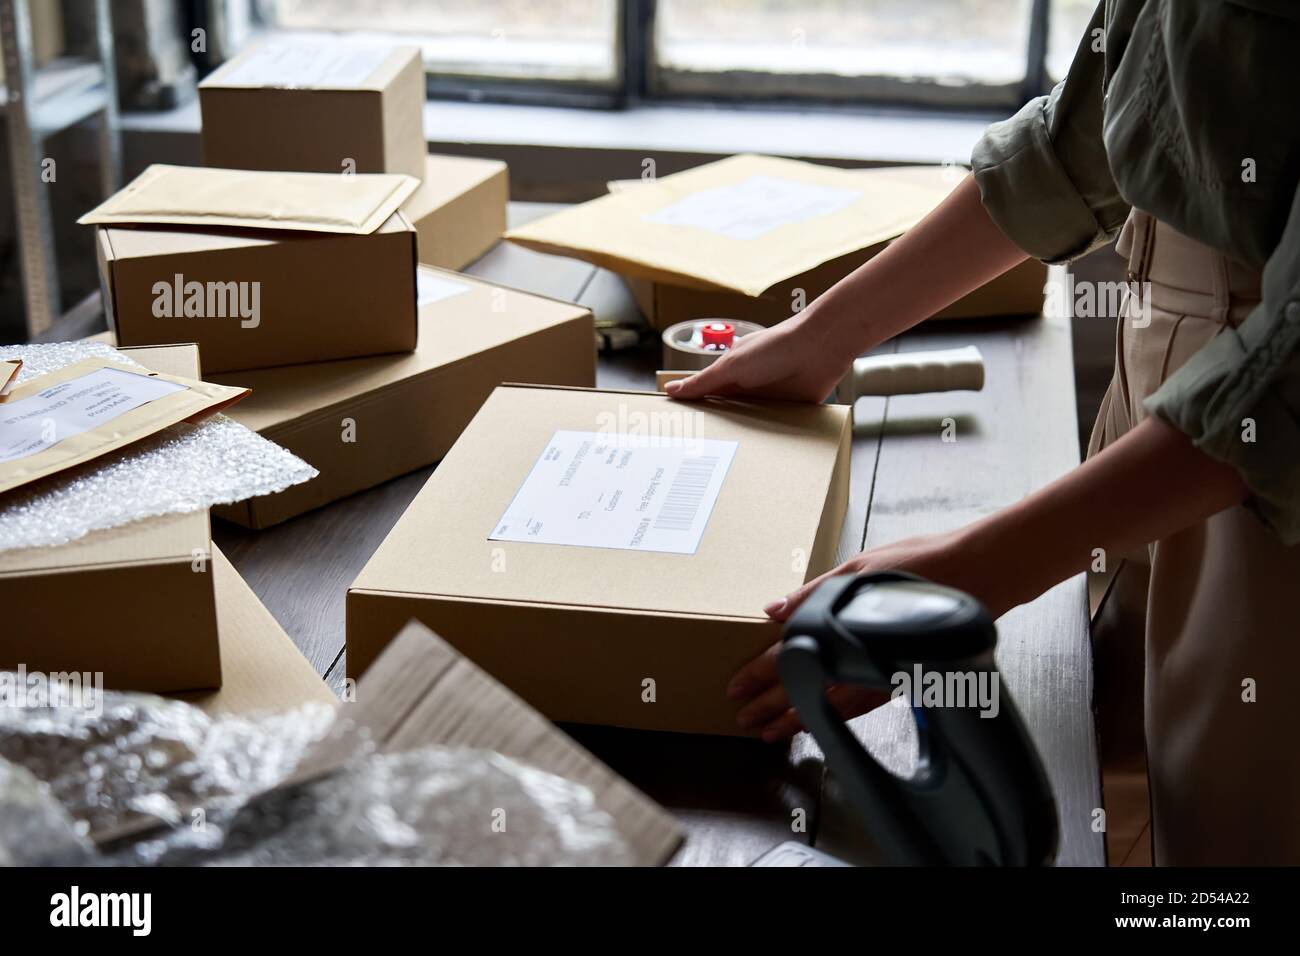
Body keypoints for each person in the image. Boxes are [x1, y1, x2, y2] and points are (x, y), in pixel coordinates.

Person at [666, 1, 1300, 866]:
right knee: (1127, 786)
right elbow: (1085, 137)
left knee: (1225, 847)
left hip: (1263, 474)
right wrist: (818, 341)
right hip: (1156, 416)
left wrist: (975, 567)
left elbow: (1288, 365)